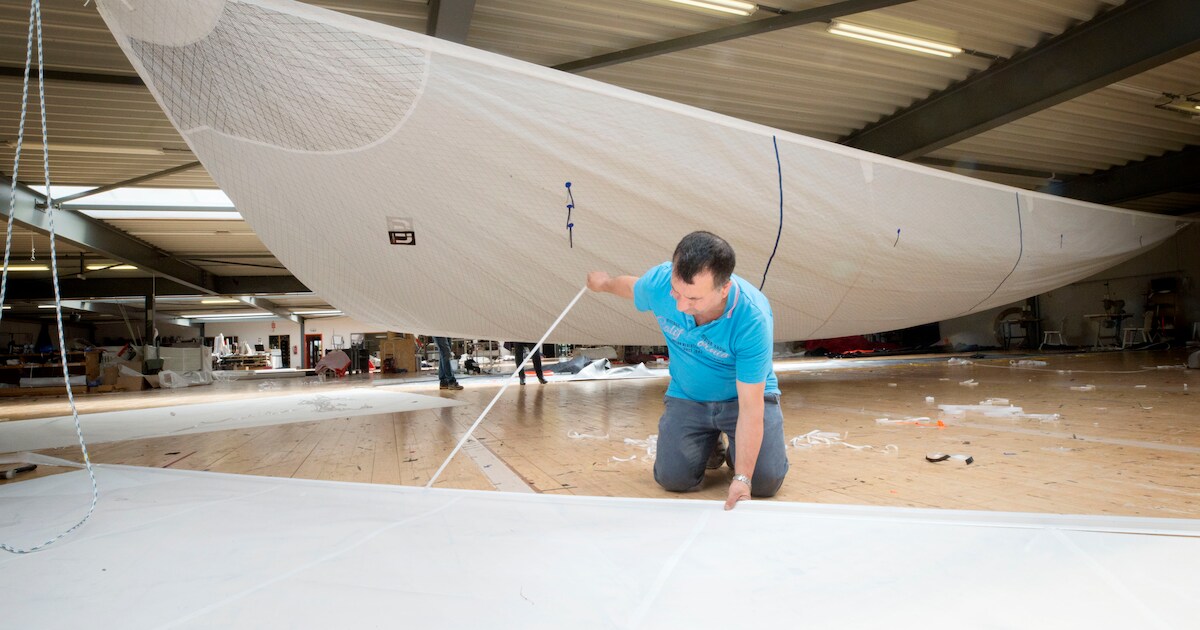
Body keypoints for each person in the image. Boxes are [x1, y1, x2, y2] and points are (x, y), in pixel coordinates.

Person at [587, 231, 787, 510]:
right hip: (689, 396)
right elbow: (633, 286)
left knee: (763, 482)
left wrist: (742, 478)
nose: (681, 305)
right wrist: (604, 283)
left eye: (693, 298)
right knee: (673, 479)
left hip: (741, 401)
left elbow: (751, 408)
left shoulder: (752, 318)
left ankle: (736, 451)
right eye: (676, 292)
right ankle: (710, 443)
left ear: (724, 289)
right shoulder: (660, 282)